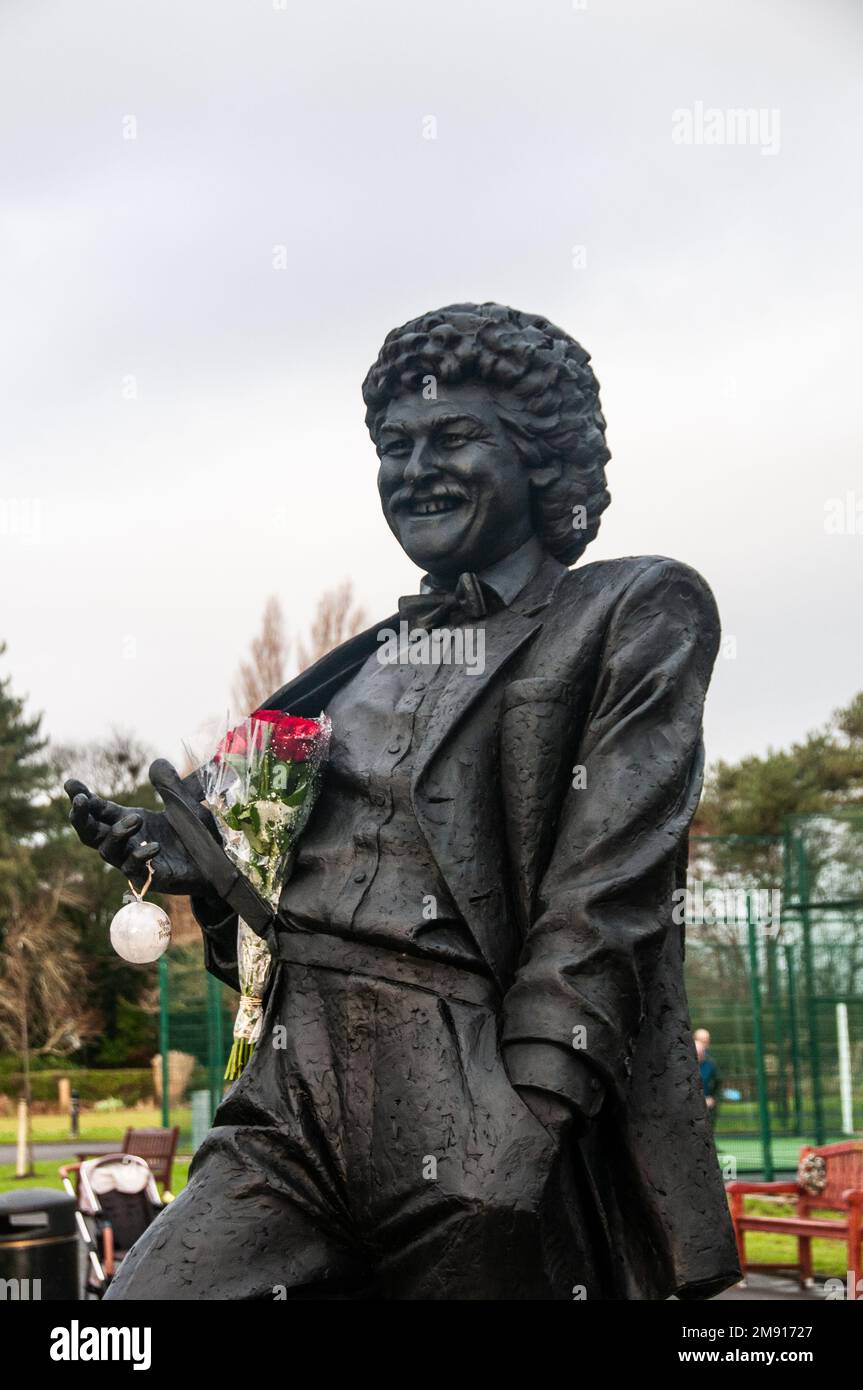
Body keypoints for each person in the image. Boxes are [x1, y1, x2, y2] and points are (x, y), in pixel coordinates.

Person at [66, 303, 740, 1300]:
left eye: (453, 437)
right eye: (394, 445)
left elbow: (608, 882)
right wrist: (186, 856)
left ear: (542, 459)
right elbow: (274, 871)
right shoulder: (353, 666)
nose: (413, 467)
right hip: (291, 1077)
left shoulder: (632, 608)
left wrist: (533, 1103)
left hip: (468, 1068)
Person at [695, 1027, 721, 1128]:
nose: (704, 1044)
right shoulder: (683, 1062)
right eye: (702, 1041)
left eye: (706, 1041)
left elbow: (718, 1082)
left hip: (707, 1108)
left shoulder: (711, 1063)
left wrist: (712, 1098)